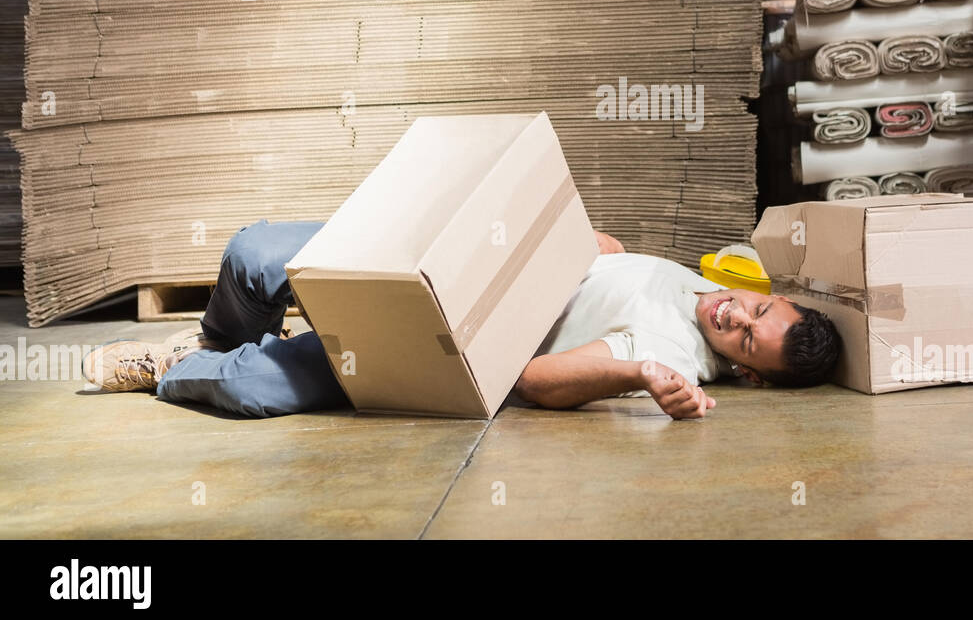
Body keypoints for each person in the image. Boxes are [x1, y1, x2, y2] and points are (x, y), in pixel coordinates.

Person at [82, 219, 841, 420]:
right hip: (455, 261)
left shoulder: (673, 348)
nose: (737, 313)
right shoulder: (707, 286)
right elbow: (609, 258)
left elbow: (535, 380)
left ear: (743, 371)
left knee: (258, 391)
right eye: (760, 307)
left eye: (746, 334)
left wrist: (637, 373)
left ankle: (176, 369)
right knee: (255, 254)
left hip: (444, 337)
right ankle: (216, 335)